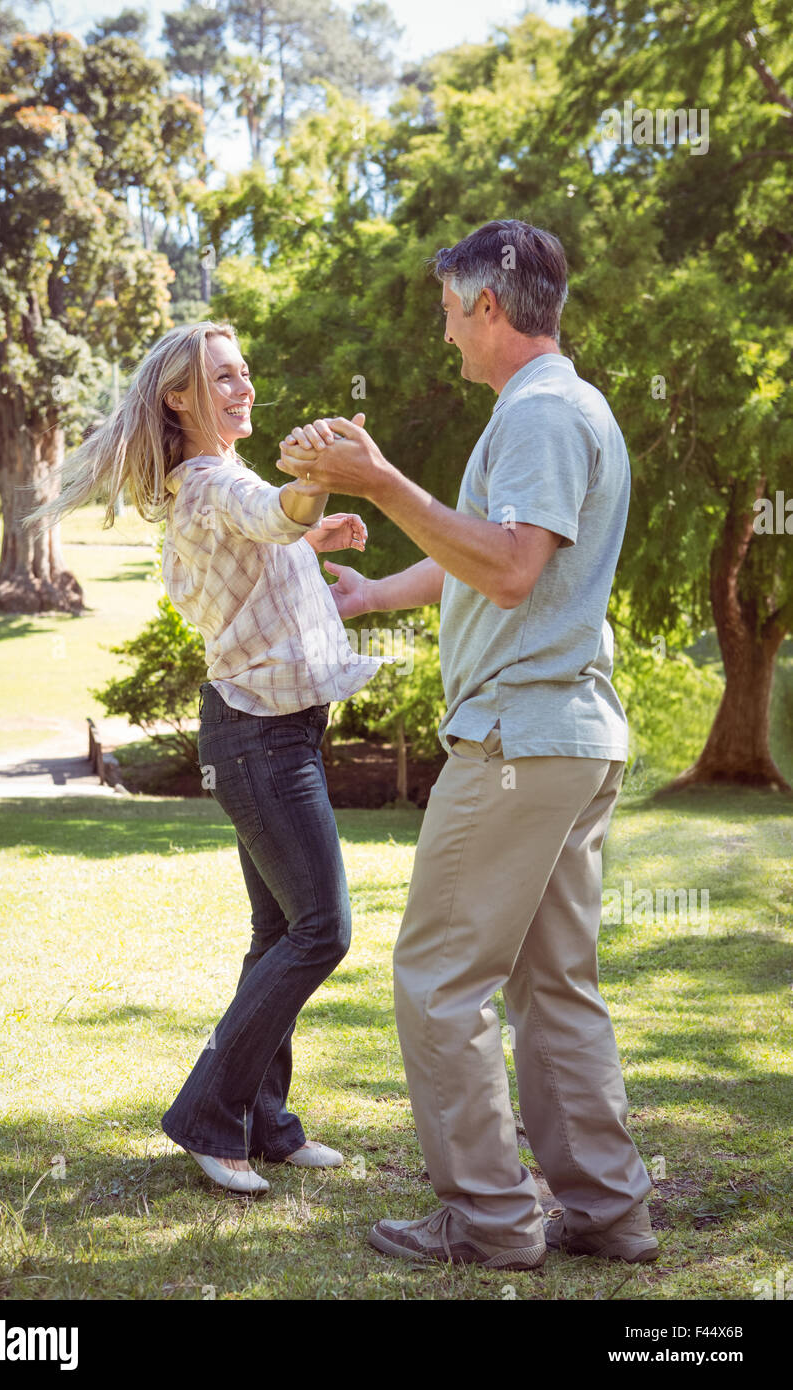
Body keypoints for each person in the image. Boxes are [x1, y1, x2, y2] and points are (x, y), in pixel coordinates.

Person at [277, 219, 658, 1267]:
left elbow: (507, 567)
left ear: (486, 306)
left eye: (448, 315)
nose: (446, 338)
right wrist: (372, 594)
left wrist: (381, 482)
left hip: (516, 741)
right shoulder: (563, 408)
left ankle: (488, 1219)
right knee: (554, 984)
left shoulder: (535, 414)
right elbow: (476, 558)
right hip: (568, 737)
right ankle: (605, 1209)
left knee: (439, 975)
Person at [26, 320, 385, 1195]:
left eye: (245, 372)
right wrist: (309, 490)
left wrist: (313, 531)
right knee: (322, 930)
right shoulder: (213, 482)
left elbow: (266, 533)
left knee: (278, 933)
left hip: (275, 728)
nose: (244, 387)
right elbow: (264, 512)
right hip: (259, 736)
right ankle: (205, 1116)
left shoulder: (218, 483)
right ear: (179, 397)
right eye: (222, 377)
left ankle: (265, 1123)